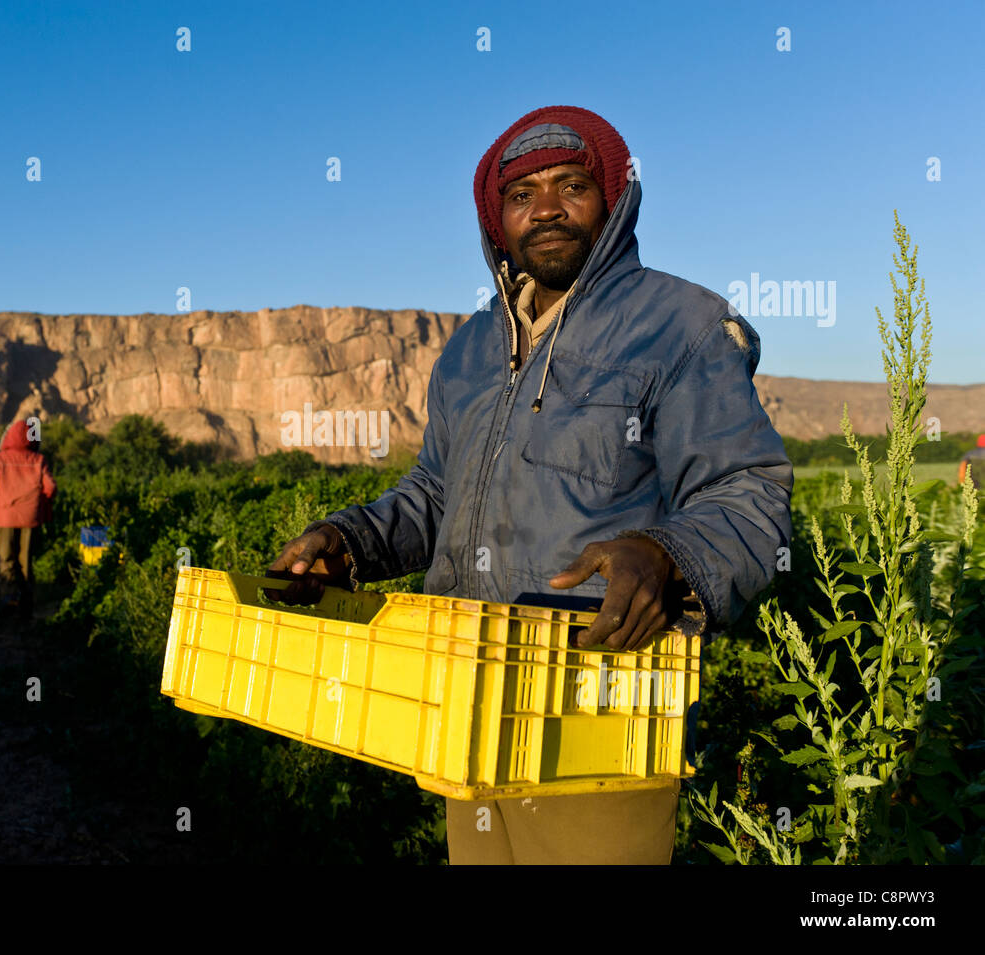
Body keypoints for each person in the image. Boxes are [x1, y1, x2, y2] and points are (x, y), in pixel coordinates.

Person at [265, 106, 793, 865]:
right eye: (522, 194)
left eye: (570, 184)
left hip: (602, 709)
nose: (546, 207)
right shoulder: (470, 349)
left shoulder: (681, 325)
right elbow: (436, 494)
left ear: (611, 200)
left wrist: (664, 551)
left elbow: (750, 495)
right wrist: (349, 540)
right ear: (496, 220)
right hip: (468, 696)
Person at [0, 419, 55, 619]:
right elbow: (51, 488)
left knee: (6, 560)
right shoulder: (39, 460)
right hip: (30, 518)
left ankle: (8, 600)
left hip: (5, 518)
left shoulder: (0, 459)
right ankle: (26, 604)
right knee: (25, 561)